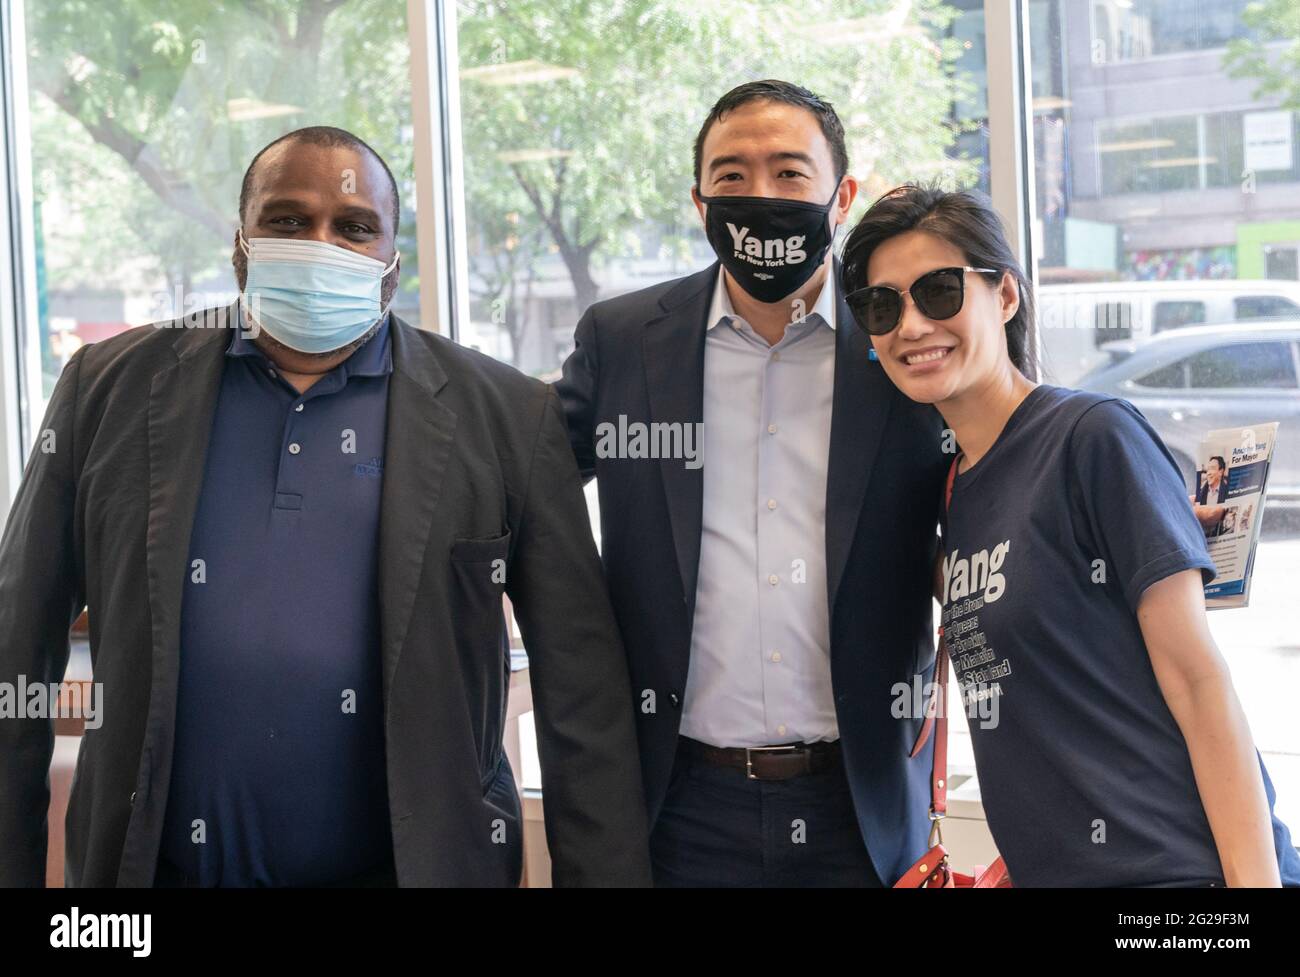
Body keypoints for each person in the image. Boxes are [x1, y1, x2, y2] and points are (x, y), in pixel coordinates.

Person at [0, 126, 652, 888]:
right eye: (286, 220)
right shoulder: (108, 390)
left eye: (353, 227)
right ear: (240, 246)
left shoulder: (506, 415)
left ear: (392, 264)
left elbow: (585, 694)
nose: (320, 242)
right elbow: (19, 644)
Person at [839, 182, 1300, 886]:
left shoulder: (1092, 437)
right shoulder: (956, 491)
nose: (910, 325)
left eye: (937, 291)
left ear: (1005, 296)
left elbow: (1199, 682)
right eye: (882, 305)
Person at [555, 81, 949, 887]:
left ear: (841, 195)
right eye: (731, 177)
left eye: (788, 173)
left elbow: (1000, 472)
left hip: (862, 802)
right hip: (680, 803)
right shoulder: (624, 341)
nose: (758, 196)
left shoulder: (907, 341)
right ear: (699, 202)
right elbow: (526, 477)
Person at [1192, 455, 1229, 535]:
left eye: (1212, 468)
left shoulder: (1227, 492)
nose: (1208, 473)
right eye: (1208, 469)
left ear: (1221, 472)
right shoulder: (1201, 493)